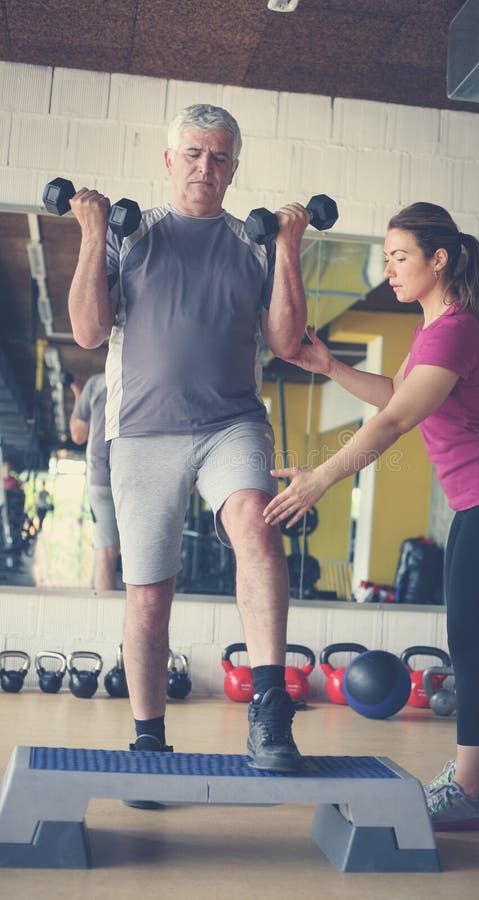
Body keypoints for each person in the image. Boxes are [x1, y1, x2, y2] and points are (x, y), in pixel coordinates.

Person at [264, 202, 479, 830]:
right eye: (387, 259)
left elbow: (393, 422)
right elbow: (398, 393)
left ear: (437, 258)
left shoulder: (454, 330)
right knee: (474, 644)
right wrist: (331, 368)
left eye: (400, 257)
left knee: (468, 645)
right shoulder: (436, 327)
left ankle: (469, 791)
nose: (390, 270)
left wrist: (320, 479)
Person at [67, 104, 310, 777]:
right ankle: (148, 736)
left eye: (221, 157)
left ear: (234, 169)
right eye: (195, 154)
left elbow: (287, 342)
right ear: (169, 161)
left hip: (231, 424)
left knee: (257, 533)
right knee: (149, 595)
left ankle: (268, 709)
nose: (207, 167)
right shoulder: (131, 234)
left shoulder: (252, 243)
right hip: (143, 435)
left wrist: (287, 247)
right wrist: (92, 233)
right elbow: (88, 331)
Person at [69, 373, 120, 591]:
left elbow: (78, 435)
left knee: (107, 550)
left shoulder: (97, 383)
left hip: (103, 477)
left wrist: (78, 396)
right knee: (143, 552)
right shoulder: (152, 374)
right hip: (140, 475)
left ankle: (104, 618)